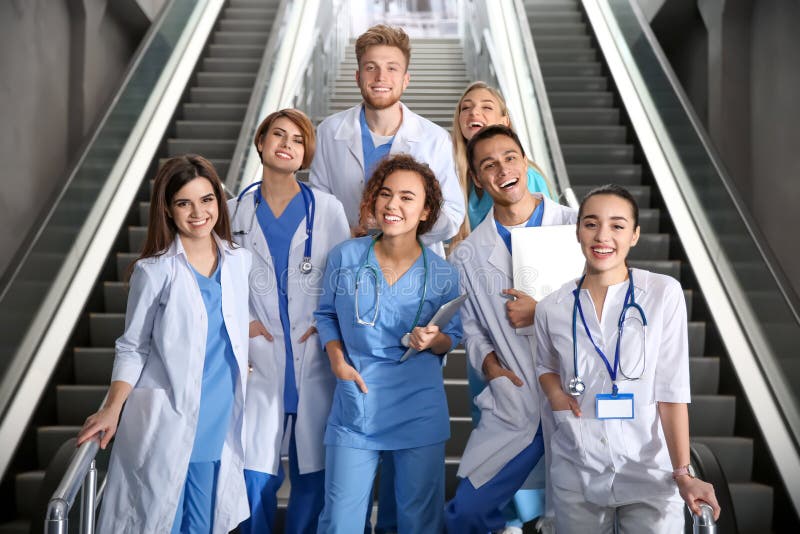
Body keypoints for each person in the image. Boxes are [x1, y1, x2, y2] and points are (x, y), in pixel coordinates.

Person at [77, 155, 251, 533]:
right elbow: (133, 346)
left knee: (202, 524)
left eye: (207, 199)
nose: (198, 212)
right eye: (184, 203)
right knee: (159, 521)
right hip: (168, 417)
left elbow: (230, 321)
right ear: (169, 211)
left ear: (219, 203)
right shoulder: (154, 270)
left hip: (217, 415)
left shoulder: (239, 261)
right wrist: (112, 408)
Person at [534, 184, 721, 533]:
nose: (602, 235)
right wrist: (557, 394)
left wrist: (683, 472)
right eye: (591, 223)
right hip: (577, 467)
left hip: (650, 468)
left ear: (634, 235)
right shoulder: (552, 307)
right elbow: (545, 366)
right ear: (577, 232)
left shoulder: (662, 294)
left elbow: (671, 389)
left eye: (617, 225)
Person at [314, 154, 463, 534]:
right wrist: (336, 360)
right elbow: (327, 315)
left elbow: (453, 338)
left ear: (426, 210)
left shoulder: (443, 274)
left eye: (407, 197)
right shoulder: (346, 256)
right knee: (340, 521)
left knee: (418, 522)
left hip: (418, 406)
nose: (393, 205)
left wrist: (434, 339)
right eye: (385, 194)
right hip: (357, 399)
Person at [444, 125, 576, 534]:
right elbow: (471, 325)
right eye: (489, 165)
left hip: (576, 394)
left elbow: (607, 306)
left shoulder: (576, 226)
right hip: (516, 398)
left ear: (525, 162)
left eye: (509, 158)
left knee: (573, 515)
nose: (502, 170)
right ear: (480, 180)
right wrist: (489, 366)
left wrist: (542, 313)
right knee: (466, 512)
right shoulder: (467, 253)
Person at [228, 109, 350, 534]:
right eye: (277, 135)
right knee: (252, 473)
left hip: (312, 351)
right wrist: (240, 323)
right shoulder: (229, 214)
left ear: (305, 155)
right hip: (258, 357)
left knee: (313, 474)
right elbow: (212, 284)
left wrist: (329, 323)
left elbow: (345, 277)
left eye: (297, 140)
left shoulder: (328, 210)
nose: (286, 143)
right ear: (260, 143)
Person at [310, 24, 464, 259]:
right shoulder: (329, 132)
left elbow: (452, 214)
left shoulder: (435, 139)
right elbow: (318, 203)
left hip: (413, 266)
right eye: (371, 67)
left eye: (392, 68)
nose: (381, 77)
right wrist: (346, 233)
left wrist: (397, 230)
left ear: (405, 80)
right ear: (358, 76)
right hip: (348, 263)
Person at [451, 81, 554, 247]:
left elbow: (545, 239)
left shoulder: (525, 177)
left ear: (505, 121)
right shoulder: (457, 177)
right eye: (466, 108)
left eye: (487, 107)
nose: (474, 112)